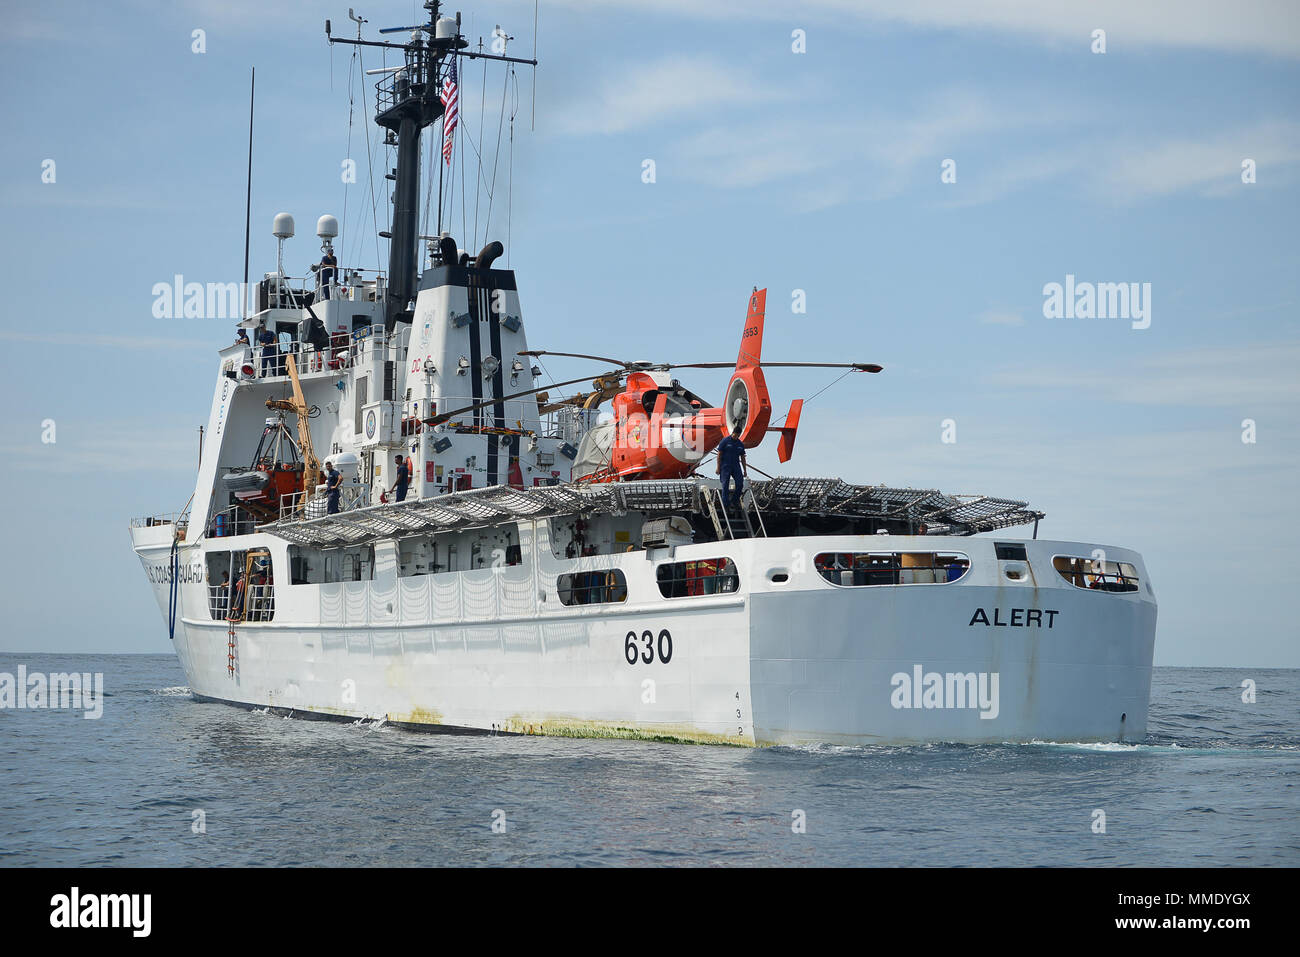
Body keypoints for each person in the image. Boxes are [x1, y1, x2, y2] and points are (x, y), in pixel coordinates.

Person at [715, 425, 747, 510]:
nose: (736, 437)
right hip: (725, 466)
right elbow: (719, 455)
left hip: (736, 466)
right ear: (733, 433)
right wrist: (718, 467)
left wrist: (745, 470)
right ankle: (726, 504)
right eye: (735, 435)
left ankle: (734, 501)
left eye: (738, 436)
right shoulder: (725, 441)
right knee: (725, 484)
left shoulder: (740, 444)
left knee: (740, 484)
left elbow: (743, 458)